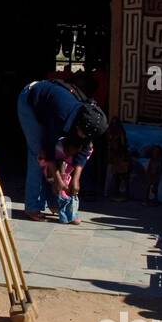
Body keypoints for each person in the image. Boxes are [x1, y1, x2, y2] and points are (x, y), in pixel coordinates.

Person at [16, 78, 107, 221]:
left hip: (49, 109)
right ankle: (32, 207)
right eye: (83, 134)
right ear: (78, 127)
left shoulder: (91, 121)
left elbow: (84, 149)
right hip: (31, 100)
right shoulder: (61, 114)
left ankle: (57, 205)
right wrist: (58, 179)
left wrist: (75, 179)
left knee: (62, 158)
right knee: (37, 153)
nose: (85, 137)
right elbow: (48, 149)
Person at [42, 140, 81, 224]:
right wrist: (58, 180)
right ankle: (61, 212)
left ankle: (69, 215)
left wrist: (71, 181)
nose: (68, 155)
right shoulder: (56, 154)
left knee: (68, 198)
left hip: (62, 178)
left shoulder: (71, 158)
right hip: (53, 178)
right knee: (58, 196)